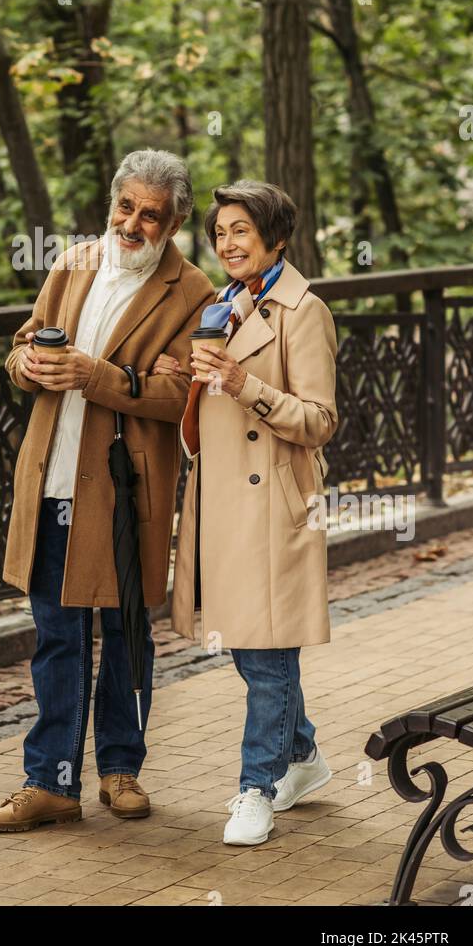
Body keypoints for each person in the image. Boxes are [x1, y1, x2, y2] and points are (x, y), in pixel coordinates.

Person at [0, 149, 215, 833]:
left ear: (174, 222)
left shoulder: (192, 291)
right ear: (111, 204)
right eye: (125, 207)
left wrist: (100, 377)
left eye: (151, 214)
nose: (133, 223)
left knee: (124, 635)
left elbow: (184, 397)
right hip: (52, 478)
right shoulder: (75, 261)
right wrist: (26, 361)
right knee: (55, 638)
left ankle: (120, 769)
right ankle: (50, 783)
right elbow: (25, 342)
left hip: (123, 490)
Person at [153, 180, 338, 846]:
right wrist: (193, 384)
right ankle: (303, 756)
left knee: (264, 655)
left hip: (275, 505)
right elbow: (212, 409)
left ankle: (254, 788)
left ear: (275, 236)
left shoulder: (304, 311)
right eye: (220, 233)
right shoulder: (222, 306)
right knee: (249, 646)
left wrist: (242, 383)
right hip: (221, 499)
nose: (228, 244)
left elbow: (318, 420)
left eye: (241, 230)